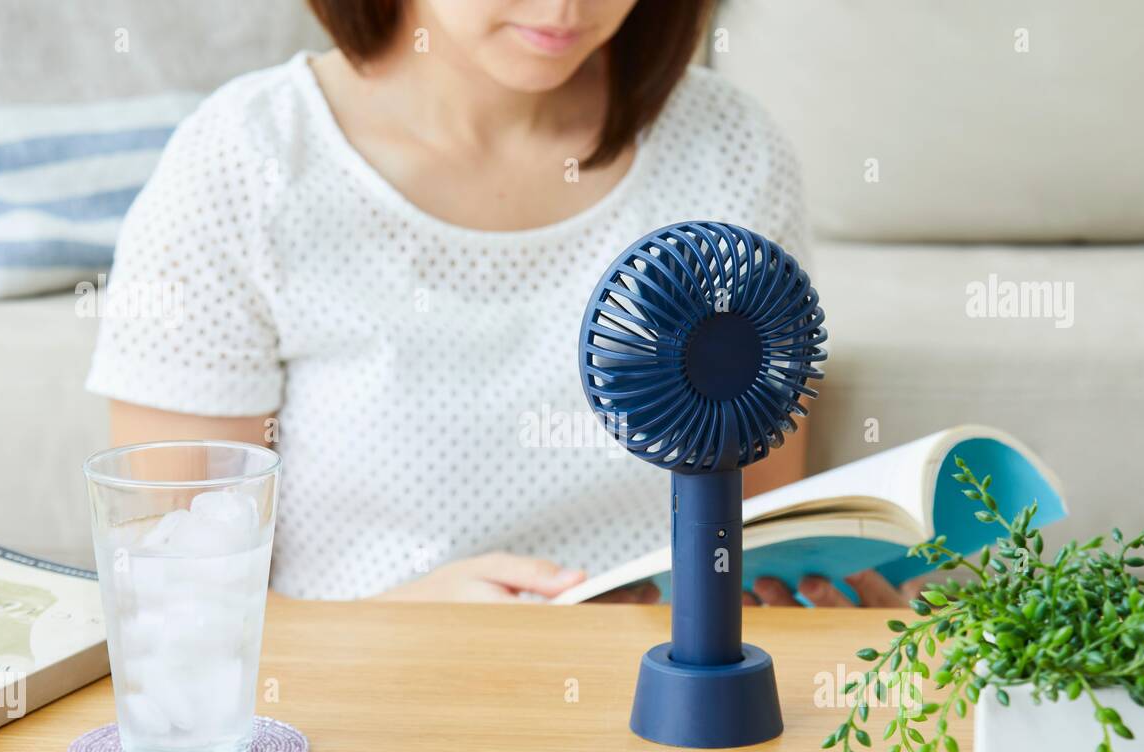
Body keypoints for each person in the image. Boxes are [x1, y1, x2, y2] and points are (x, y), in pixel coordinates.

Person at [86, 0, 912, 607]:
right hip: (373, 735)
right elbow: (169, 602)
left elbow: (762, 522)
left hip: (665, 723)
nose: (566, 9)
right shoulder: (245, 162)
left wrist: (800, 612)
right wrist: (397, 629)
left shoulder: (728, 147)